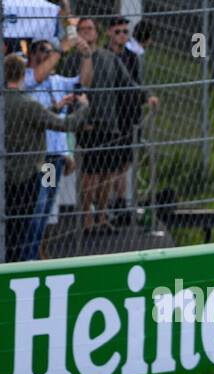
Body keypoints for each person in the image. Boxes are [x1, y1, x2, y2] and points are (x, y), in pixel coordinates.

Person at [60, 17, 149, 235]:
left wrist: (147, 96)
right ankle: (87, 220)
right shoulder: (73, 61)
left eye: (90, 29)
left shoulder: (110, 58)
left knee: (107, 174)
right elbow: (67, 91)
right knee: (89, 174)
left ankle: (102, 216)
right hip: (87, 124)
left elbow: (129, 84)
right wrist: (77, 120)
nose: (87, 33)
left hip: (110, 124)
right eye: (82, 30)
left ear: (97, 32)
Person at [4, 52, 88, 262]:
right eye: (41, 51)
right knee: (38, 207)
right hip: (38, 162)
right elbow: (38, 116)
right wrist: (83, 109)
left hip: (52, 158)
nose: (45, 55)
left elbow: (39, 117)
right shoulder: (31, 86)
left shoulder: (58, 81)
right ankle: (27, 255)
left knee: (46, 205)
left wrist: (57, 108)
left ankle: (36, 250)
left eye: (49, 52)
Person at [105, 16, 156, 226]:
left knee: (124, 162)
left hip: (129, 117)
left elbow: (135, 85)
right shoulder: (103, 56)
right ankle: (104, 206)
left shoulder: (131, 57)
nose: (123, 36)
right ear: (109, 33)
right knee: (107, 164)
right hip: (109, 117)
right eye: (118, 32)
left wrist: (145, 97)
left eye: (126, 32)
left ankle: (120, 202)